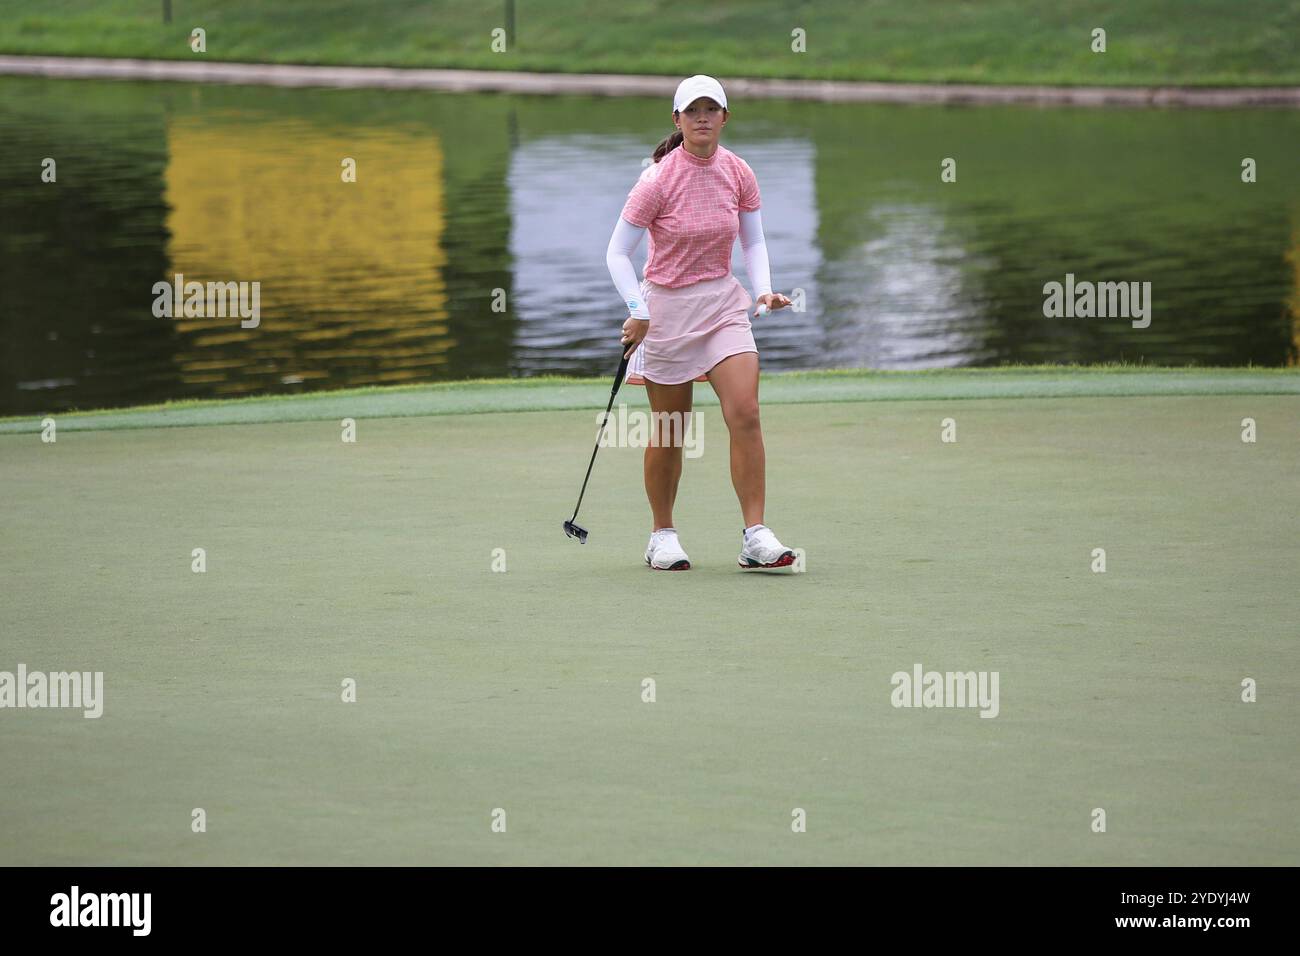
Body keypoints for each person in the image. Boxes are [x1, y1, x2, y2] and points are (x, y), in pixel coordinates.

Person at [605, 74, 796, 571]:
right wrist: (638, 311)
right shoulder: (657, 179)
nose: (703, 117)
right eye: (693, 111)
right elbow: (617, 253)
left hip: (722, 306)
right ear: (678, 120)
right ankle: (661, 535)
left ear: (725, 117)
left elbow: (752, 242)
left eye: (712, 109)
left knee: (745, 411)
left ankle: (755, 536)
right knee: (671, 429)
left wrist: (762, 290)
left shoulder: (738, 172)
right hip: (665, 309)